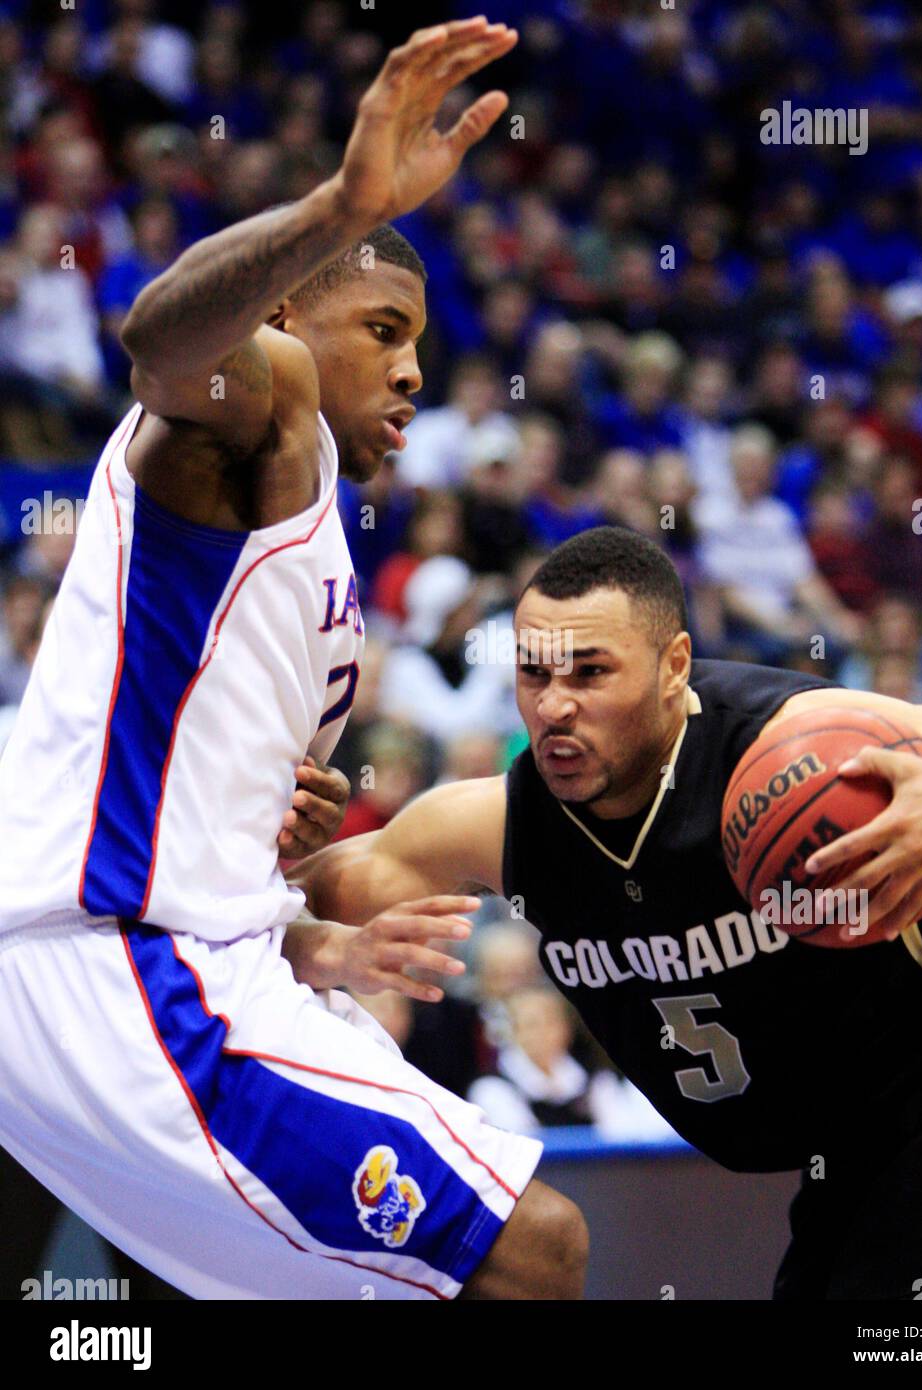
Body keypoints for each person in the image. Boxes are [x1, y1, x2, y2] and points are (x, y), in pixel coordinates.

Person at [0, 20, 586, 1302]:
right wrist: (343, 204)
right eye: (381, 325)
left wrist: (303, 926)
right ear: (284, 313)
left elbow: (189, 807)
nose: (414, 366)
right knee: (536, 1248)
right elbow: (158, 347)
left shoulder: (302, 529)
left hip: (158, 958)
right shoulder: (264, 396)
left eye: (419, 339)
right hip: (108, 965)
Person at [293, 524, 922, 1300]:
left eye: (590, 673)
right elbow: (264, 909)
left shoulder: (798, 753)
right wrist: (302, 896)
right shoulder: (500, 826)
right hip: (841, 1169)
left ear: (673, 666)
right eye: (533, 673)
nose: (554, 706)